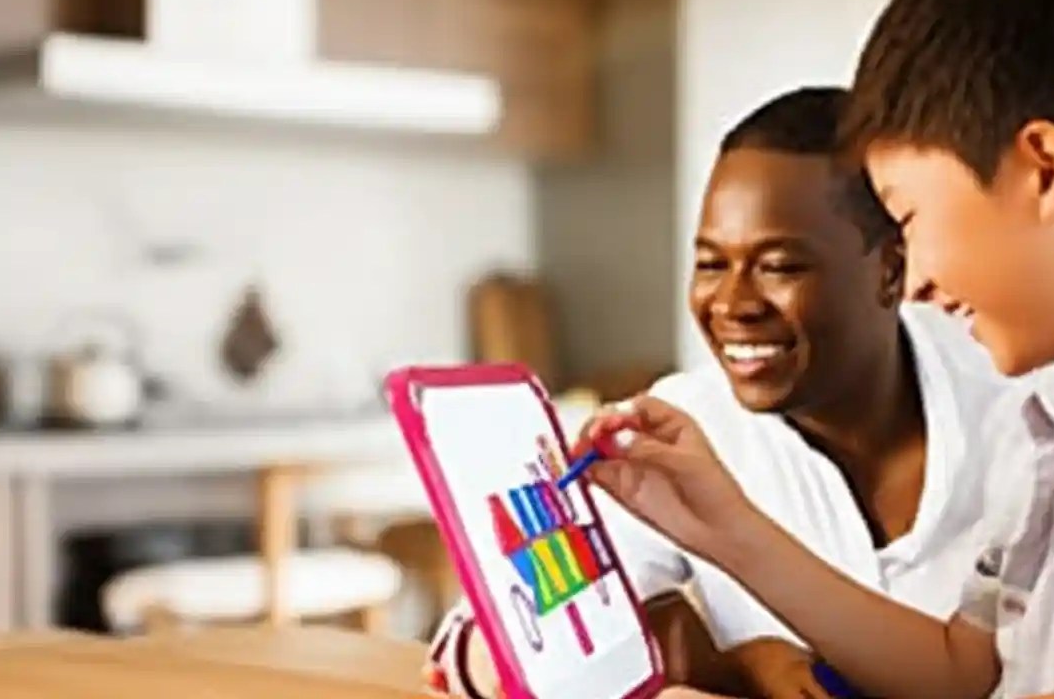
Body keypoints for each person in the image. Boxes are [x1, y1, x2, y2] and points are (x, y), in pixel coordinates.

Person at [583, 0, 1054, 697]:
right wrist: (727, 529)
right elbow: (964, 672)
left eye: (907, 221)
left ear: (1046, 170)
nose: (916, 284)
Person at [423, 87, 1009, 698]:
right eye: (710, 264)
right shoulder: (685, 429)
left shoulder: (1011, 412)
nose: (732, 305)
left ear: (891, 268)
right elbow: (476, 647)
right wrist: (731, 664)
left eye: (780, 266)